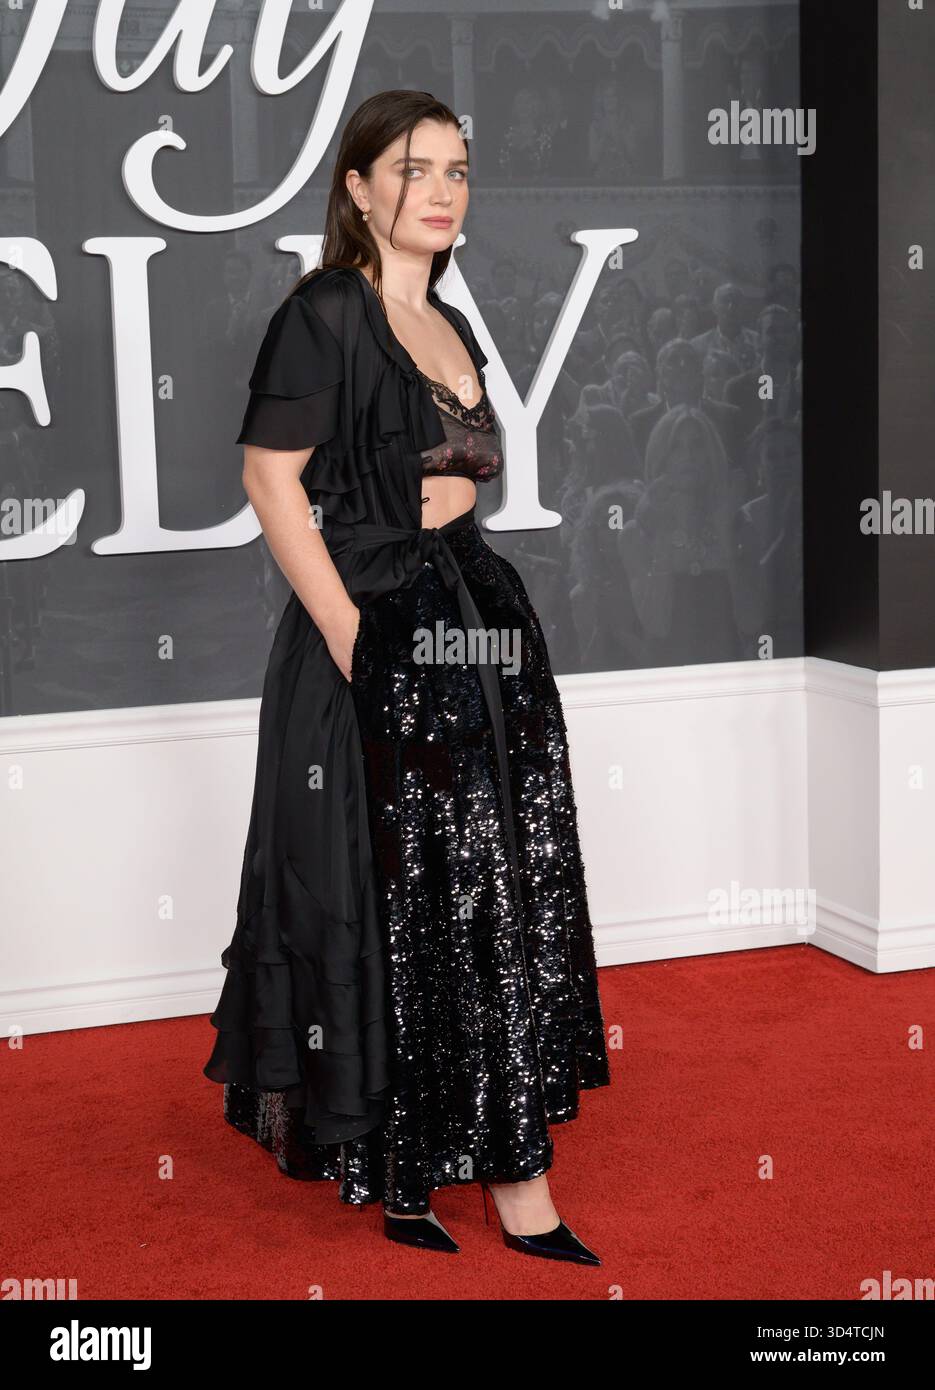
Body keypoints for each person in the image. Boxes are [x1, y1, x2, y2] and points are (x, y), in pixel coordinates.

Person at [203, 90, 611, 1265]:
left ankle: (512, 1169)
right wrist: (347, 635)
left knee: (485, 887)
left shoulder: (451, 320)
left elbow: (466, 485)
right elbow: (271, 481)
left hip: (479, 627)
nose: (440, 189)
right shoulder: (325, 311)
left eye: (457, 171)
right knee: (389, 893)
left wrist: (464, 571)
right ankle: (401, 1162)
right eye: (413, 167)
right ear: (358, 188)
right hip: (372, 628)